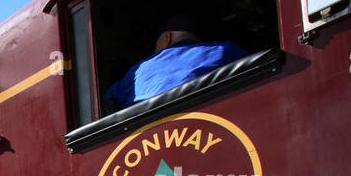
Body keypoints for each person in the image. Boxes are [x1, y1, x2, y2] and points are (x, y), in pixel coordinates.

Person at [103, 14, 248, 112]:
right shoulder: (225, 50)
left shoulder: (136, 71)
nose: (155, 53)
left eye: (155, 46)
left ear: (167, 38)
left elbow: (108, 104)